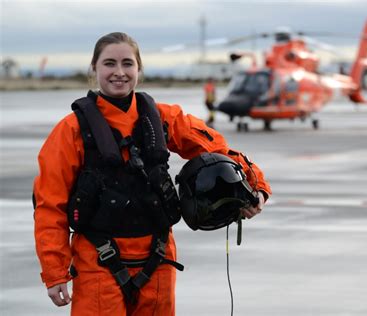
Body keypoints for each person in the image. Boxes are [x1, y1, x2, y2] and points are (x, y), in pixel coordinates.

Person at [33, 32, 271, 316]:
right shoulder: (70, 131)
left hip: (157, 261)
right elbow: (50, 205)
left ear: (139, 69)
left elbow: (218, 150)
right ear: (94, 68)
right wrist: (55, 272)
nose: (119, 72)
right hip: (97, 263)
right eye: (109, 63)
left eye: (127, 64)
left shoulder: (162, 118)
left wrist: (254, 187)